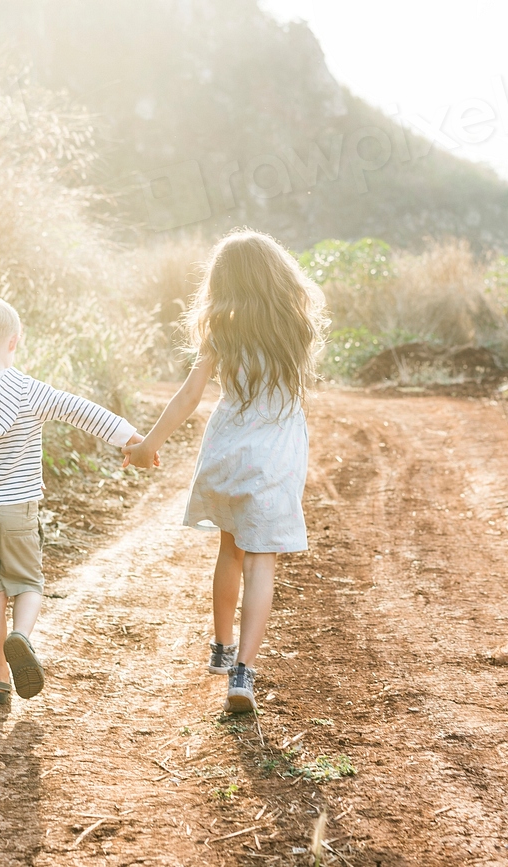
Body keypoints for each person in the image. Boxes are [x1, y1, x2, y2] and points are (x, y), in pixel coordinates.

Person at [0, 294, 151, 707]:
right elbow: (82, 412)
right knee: (27, 584)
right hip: (16, 512)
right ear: (14, 341)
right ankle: (20, 636)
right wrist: (132, 438)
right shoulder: (28, 391)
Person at [122, 230, 325, 713]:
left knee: (229, 550)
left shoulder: (221, 330)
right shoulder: (296, 328)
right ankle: (243, 674)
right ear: (279, 275)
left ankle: (221, 647)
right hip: (273, 459)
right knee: (261, 562)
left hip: (227, 453)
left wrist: (149, 444)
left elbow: (189, 396)